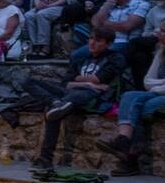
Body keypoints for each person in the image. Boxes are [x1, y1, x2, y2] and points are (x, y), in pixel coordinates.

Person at [25, 29, 125, 171]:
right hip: (72, 92)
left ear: (108, 44)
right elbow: (66, 83)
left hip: (92, 96)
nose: (93, 43)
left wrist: (83, 82)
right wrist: (87, 83)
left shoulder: (115, 58)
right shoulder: (82, 59)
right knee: (29, 82)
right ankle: (56, 102)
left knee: (52, 110)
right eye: (91, 38)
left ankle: (45, 158)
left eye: (98, 40)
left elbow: (99, 79)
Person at [97, 24, 165, 174]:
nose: (158, 34)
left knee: (139, 106)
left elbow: (151, 85)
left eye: (163, 31)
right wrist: (158, 85)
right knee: (129, 96)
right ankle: (125, 144)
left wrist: (156, 86)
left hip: (158, 93)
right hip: (157, 92)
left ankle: (129, 158)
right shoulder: (160, 53)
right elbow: (147, 81)